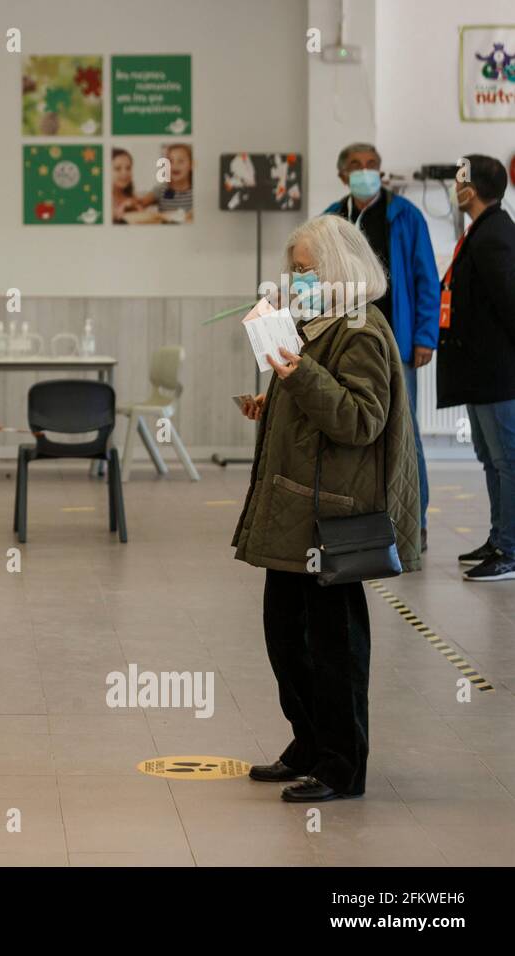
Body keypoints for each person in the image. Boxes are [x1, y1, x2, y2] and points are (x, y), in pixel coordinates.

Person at [234, 215, 420, 803]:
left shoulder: (361, 330)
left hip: (332, 517)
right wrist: (276, 396)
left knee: (332, 645)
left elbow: (360, 420)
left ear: (338, 270)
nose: (295, 279)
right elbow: (320, 402)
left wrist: (300, 374)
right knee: (286, 637)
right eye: (292, 269)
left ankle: (342, 763)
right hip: (296, 509)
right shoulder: (319, 325)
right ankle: (309, 741)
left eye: (305, 269)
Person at [324, 142, 440, 550]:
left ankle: (415, 521)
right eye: (356, 165)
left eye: (372, 164)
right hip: (344, 342)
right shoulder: (332, 220)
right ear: (342, 175)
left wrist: (427, 336)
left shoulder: (406, 216)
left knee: (405, 433)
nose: (365, 170)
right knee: (353, 433)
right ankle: (360, 522)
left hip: (399, 343)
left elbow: (428, 279)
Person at [437, 155, 515, 582]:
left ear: (474, 188)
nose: (454, 186)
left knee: (508, 461)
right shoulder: (481, 233)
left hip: (498, 373)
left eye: (459, 180)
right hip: (480, 373)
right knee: (491, 459)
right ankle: (499, 536)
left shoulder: (495, 237)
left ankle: (511, 550)